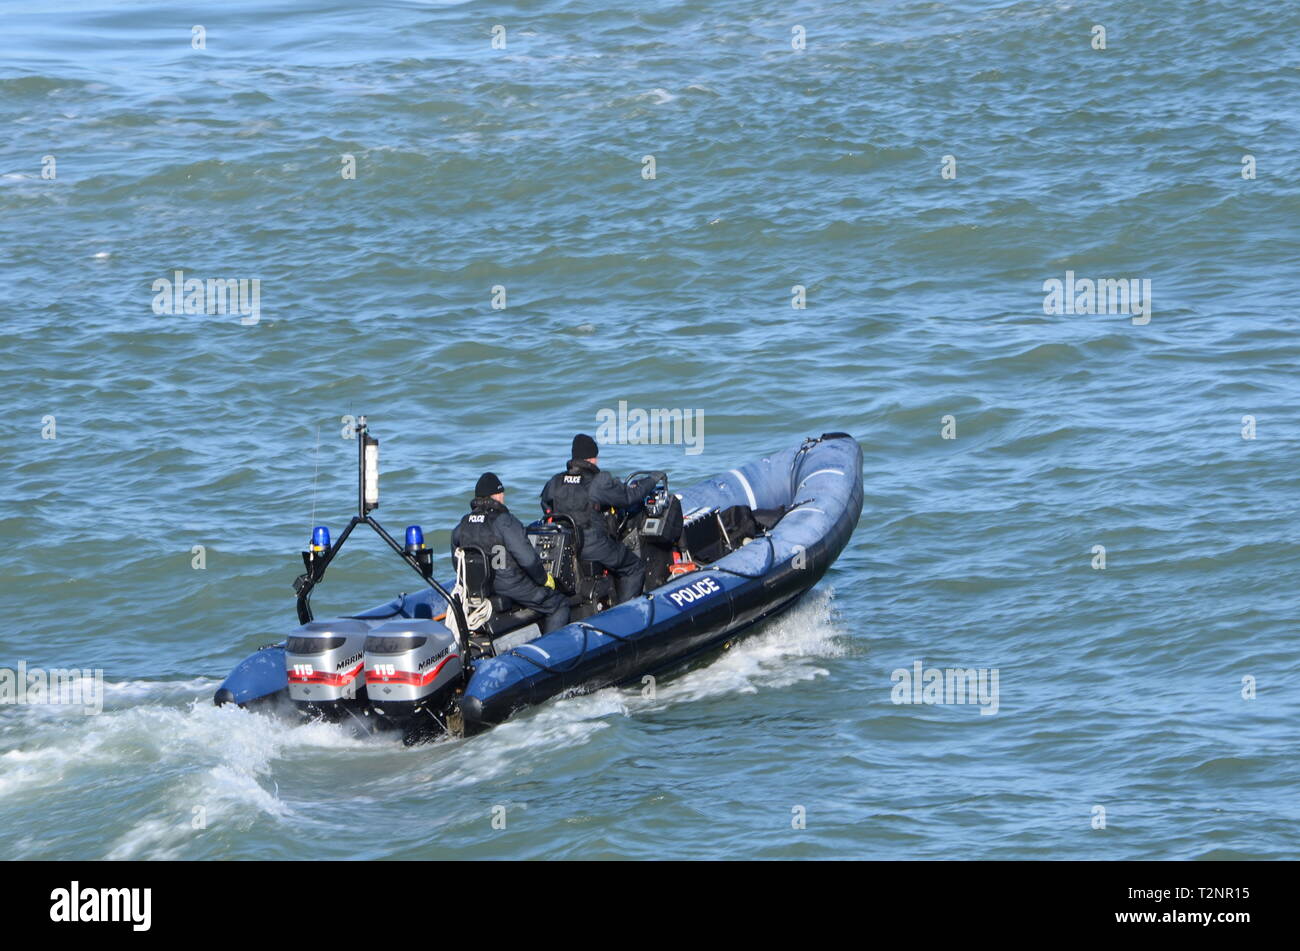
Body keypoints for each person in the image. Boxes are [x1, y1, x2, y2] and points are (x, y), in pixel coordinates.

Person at [540, 434, 658, 603]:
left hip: (566, 547)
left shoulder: (555, 481)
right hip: (594, 546)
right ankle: (625, 614)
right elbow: (629, 497)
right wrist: (652, 480)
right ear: (592, 458)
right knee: (635, 567)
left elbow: (545, 505)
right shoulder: (598, 481)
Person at [450, 472, 570, 634]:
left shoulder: (463, 525)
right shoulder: (504, 521)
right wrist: (543, 579)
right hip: (510, 585)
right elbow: (528, 560)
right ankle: (552, 651)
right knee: (558, 604)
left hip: (480, 587)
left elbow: (456, 561)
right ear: (498, 495)